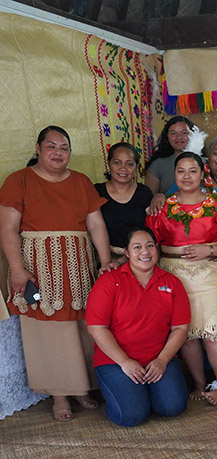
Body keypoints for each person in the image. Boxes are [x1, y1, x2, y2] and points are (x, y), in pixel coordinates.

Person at [0, 126, 113, 420]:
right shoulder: (18, 181)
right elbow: (8, 227)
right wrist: (17, 269)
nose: (58, 153)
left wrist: (104, 262)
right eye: (52, 147)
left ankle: (80, 388)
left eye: (64, 148)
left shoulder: (80, 182)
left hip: (77, 266)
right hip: (38, 266)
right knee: (47, 332)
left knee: (81, 329)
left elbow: (96, 225)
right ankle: (58, 395)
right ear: (38, 148)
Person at [147, 152, 217, 406]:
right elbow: (148, 243)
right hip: (173, 274)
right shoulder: (162, 207)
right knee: (185, 333)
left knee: (213, 331)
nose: (186, 176)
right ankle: (200, 383)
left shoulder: (215, 206)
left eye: (192, 171)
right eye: (181, 171)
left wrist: (209, 250)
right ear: (174, 174)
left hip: (210, 274)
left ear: (202, 174)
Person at [86, 228, 190, 426]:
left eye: (150, 246)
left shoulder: (172, 283)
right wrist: (124, 361)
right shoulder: (109, 281)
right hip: (116, 361)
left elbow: (180, 328)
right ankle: (130, 395)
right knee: (131, 417)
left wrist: (162, 360)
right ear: (126, 252)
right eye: (137, 247)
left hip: (157, 360)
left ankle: (145, 393)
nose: (145, 252)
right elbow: (97, 327)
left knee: (172, 407)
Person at [95, 142, 153, 262]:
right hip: (104, 261)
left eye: (129, 164)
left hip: (139, 260)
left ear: (136, 167)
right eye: (117, 162)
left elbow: (151, 231)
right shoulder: (96, 191)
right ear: (108, 164)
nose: (123, 168)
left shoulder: (144, 193)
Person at [145, 116, 194, 195]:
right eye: (173, 133)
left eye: (184, 132)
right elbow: (149, 199)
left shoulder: (205, 163)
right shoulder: (158, 165)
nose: (179, 137)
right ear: (167, 137)